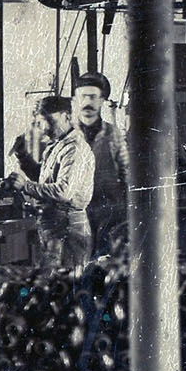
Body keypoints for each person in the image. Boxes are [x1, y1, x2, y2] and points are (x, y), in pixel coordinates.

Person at [6, 95, 95, 268]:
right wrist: (23, 156)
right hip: (54, 224)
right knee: (50, 279)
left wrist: (25, 186)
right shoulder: (57, 145)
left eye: (50, 121)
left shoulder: (74, 148)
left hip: (68, 227)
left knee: (66, 280)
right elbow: (45, 179)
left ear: (66, 116)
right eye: (42, 122)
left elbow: (63, 191)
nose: (45, 128)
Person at [71, 71, 130, 256]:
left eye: (93, 97)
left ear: (101, 101)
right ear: (76, 100)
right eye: (83, 96)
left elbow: (126, 173)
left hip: (110, 213)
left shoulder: (113, 135)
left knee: (106, 262)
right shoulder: (68, 135)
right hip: (76, 215)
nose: (87, 102)